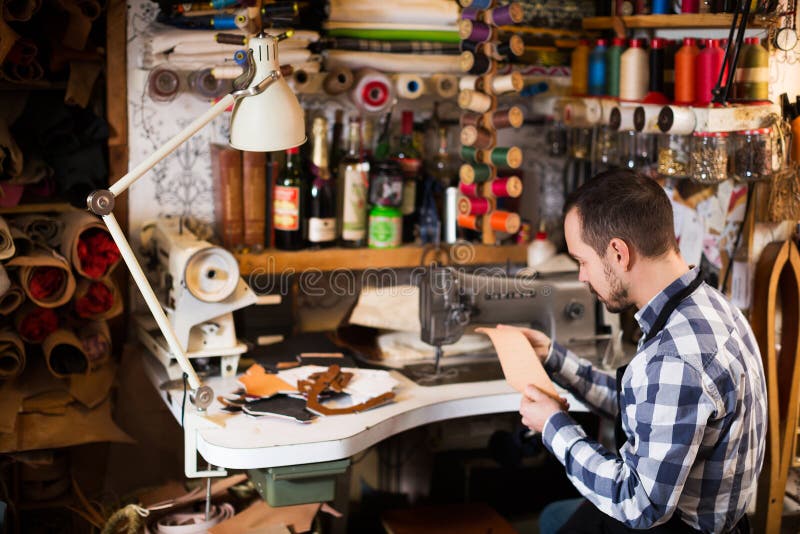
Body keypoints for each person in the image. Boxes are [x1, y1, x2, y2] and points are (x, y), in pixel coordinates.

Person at [507, 169, 767, 533]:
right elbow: (651, 405)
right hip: (710, 520)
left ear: (618, 252)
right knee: (554, 517)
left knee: (550, 517)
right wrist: (554, 357)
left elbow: (638, 503)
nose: (582, 276)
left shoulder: (676, 357)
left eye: (582, 261)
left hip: (672, 525)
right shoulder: (708, 306)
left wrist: (553, 426)